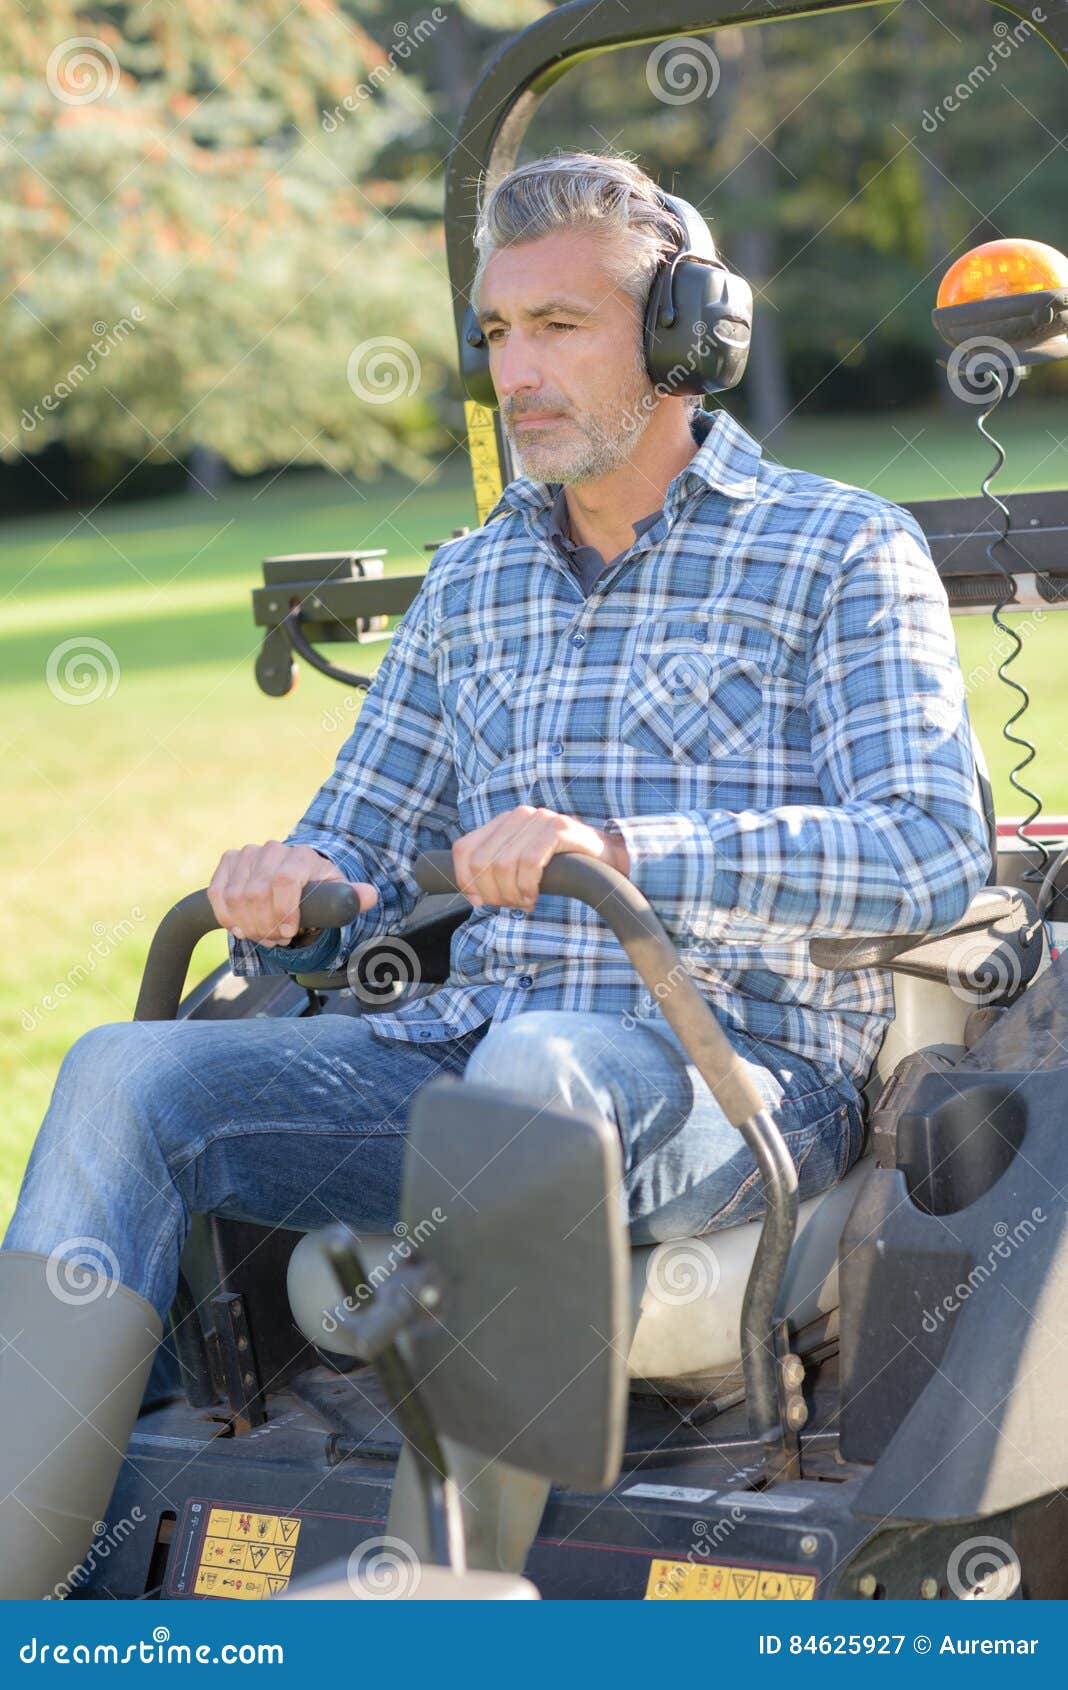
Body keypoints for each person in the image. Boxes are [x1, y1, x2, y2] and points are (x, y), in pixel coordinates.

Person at [0, 150, 991, 1598]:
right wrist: (293, 878)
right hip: (459, 1063)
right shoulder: (473, 584)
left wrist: (629, 855)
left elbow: (926, 847)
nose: (515, 370)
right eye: (495, 335)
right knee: (122, 1073)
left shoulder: (838, 552)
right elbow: (356, 833)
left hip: (732, 1078)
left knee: (539, 1062)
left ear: (682, 339)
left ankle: (443, 1593)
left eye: (559, 327)